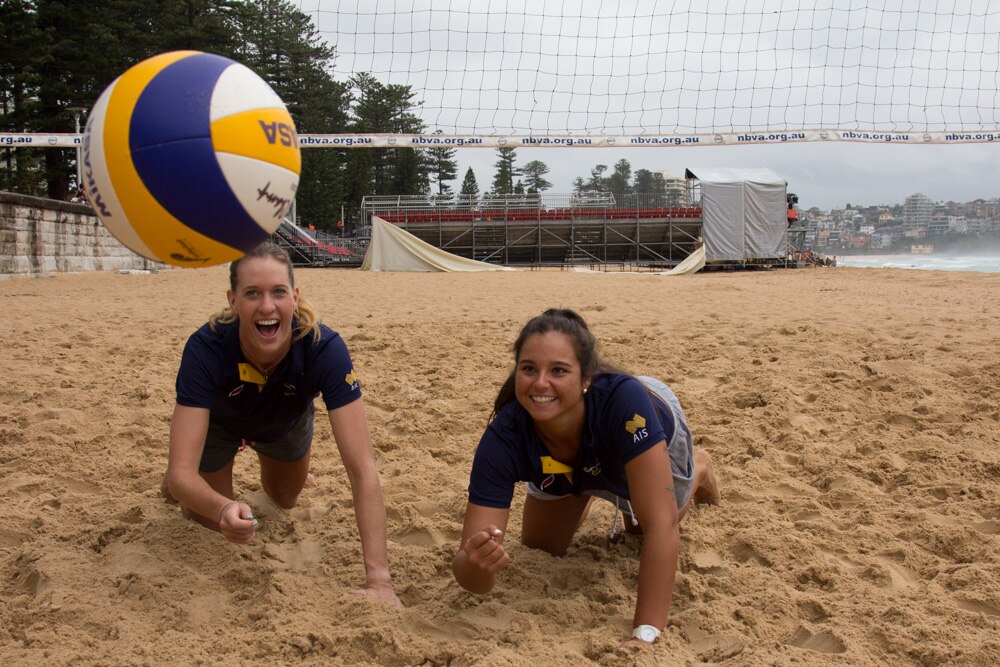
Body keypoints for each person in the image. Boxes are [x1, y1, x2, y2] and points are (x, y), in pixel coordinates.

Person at [452, 308, 720, 645]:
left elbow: (663, 530)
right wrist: (476, 566)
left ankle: (700, 467)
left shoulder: (624, 401)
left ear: (586, 377)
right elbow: (470, 572)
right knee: (541, 547)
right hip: (572, 462)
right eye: (529, 369)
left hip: (648, 419)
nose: (540, 383)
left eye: (559, 370)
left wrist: (645, 634)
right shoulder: (503, 436)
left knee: (645, 528)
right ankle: (586, 482)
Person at [161, 240, 401, 609]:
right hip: (219, 424)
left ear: (294, 297)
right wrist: (222, 508)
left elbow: (362, 469)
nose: (267, 306)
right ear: (233, 300)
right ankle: (200, 479)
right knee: (208, 520)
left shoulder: (324, 347)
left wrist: (379, 581)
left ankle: (267, 468)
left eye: (278, 292)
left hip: (284, 423)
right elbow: (181, 473)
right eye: (252, 293)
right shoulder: (205, 347)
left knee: (285, 498)